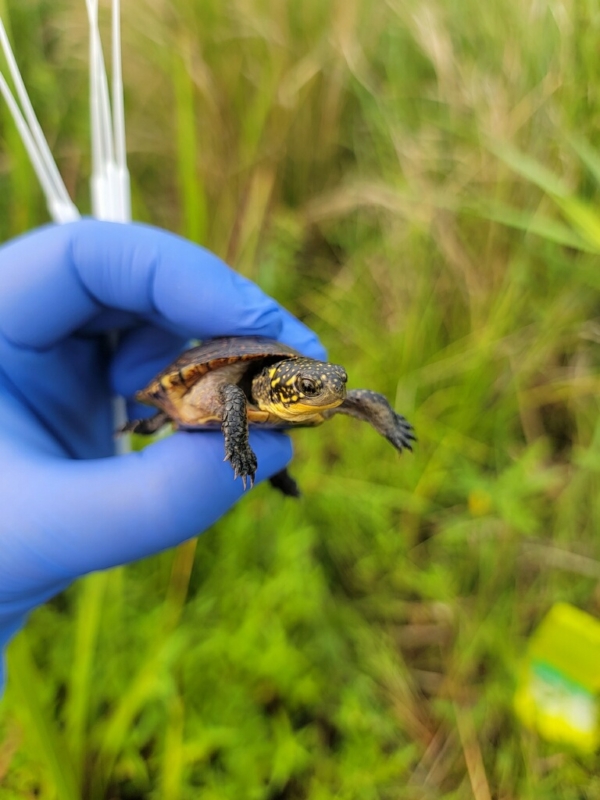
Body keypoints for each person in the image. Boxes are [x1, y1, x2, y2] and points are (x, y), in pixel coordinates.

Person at [0, 219, 325, 693]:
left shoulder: (298, 394)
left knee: (269, 442)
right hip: (198, 397)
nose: (326, 393)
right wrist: (236, 446)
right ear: (283, 382)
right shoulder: (241, 388)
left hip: (253, 412)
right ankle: (213, 444)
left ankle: (269, 470)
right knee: (224, 417)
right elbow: (233, 397)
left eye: (325, 386)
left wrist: (380, 415)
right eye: (314, 386)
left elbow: (346, 396)